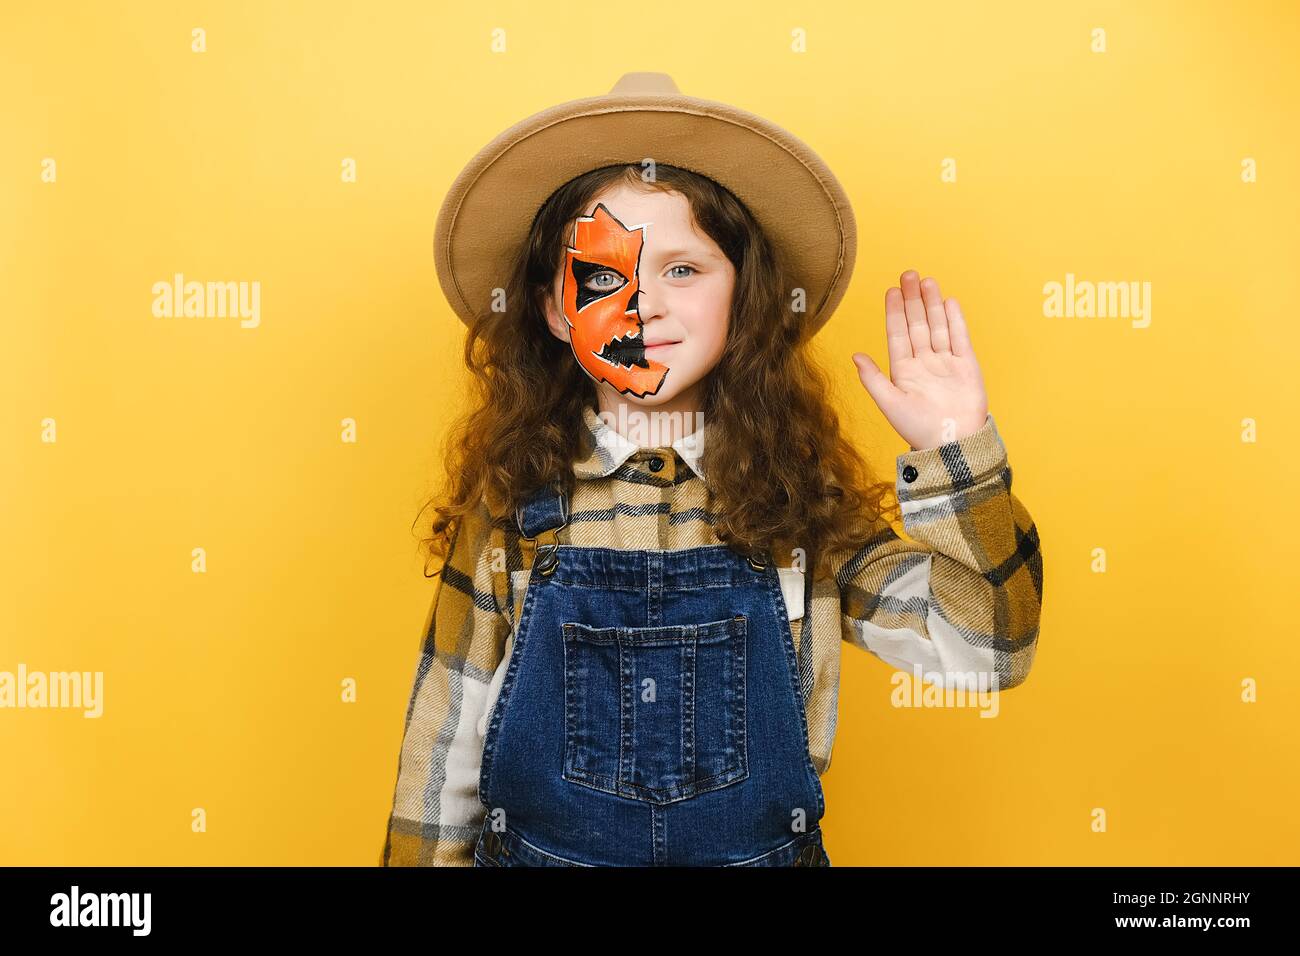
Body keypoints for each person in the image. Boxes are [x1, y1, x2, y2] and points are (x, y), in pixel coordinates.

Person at [382, 73, 1043, 867]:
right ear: (557, 311)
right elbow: (443, 741)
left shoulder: (799, 507)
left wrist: (954, 455)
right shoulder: (514, 510)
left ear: (744, 297)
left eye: (683, 271)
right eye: (602, 279)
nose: (640, 307)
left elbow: (988, 652)